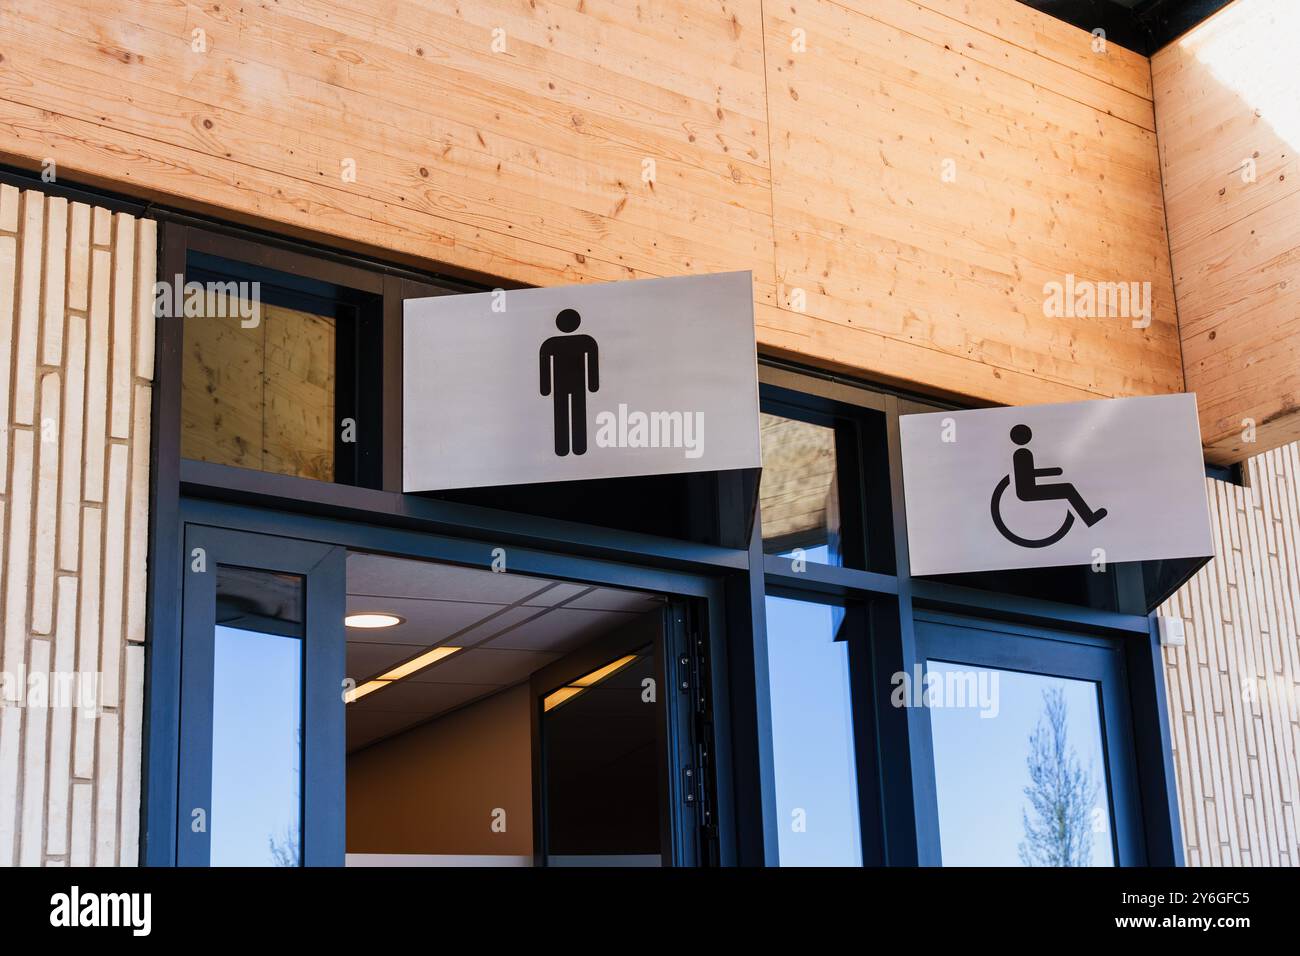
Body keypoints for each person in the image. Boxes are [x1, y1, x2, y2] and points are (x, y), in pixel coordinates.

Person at [1009, 424, 1107, 527]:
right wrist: (1054, 471)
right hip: (1029, 492)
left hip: (1029, 489)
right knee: (1068, 489)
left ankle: (1089, 517)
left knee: (1067, 488)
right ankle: (1089, 518)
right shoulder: (1023, 453)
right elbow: (1029, 475)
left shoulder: (1022, 453)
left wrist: (1054, 471)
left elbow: (1029, 474)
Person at [539, 308, 599, 456]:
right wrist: (593, 385)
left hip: (564, 385)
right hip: (574, 385)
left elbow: (592, 361)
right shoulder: (585, 341)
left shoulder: (551, 343)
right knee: (572, 413)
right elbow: (592, 362)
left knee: (566, 413)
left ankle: (566, 448)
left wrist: (545, 388)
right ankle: (575, 447)